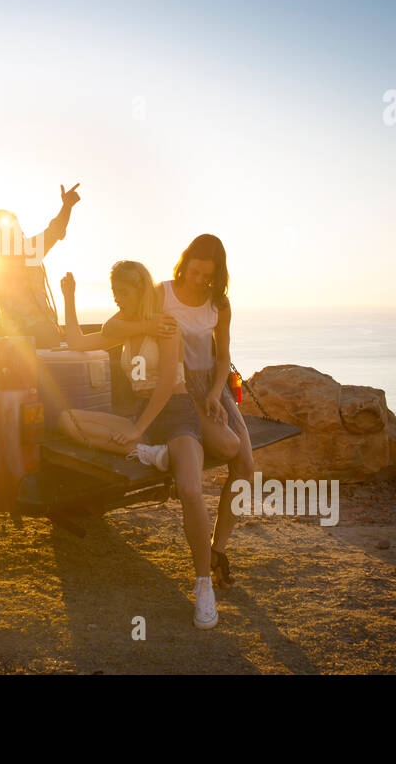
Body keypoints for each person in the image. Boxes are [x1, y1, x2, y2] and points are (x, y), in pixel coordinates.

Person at [57, 261, 239, 630]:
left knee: (190, 488)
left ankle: (203, 586)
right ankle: (146, 452)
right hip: (142, 418)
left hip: (174, 412)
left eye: (123, 293)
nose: (117, 300)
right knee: (66, 421)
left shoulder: (167, 327)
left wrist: (139, 427)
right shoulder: (121, 327)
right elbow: (77, 341)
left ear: (139, 291)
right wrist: (69, 297)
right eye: (113, 294)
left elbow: (163, 389)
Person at [156, 234, 253, 590]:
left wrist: (216, 393)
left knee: (245, 466)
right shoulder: (161, 293)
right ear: (184, 262)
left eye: (206, 276)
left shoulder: (219, 303)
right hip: (177, 385)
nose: (198, 280)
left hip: (211, 384)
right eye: (194, 272)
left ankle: (216, 550)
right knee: (227, 447)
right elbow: (131, 329)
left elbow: (223, 355)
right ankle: (173, 450)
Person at [0, 183, 81, 348]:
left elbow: (56, 229)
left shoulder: (27, 252)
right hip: (18, 339)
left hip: (28, 337)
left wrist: (67, 206)